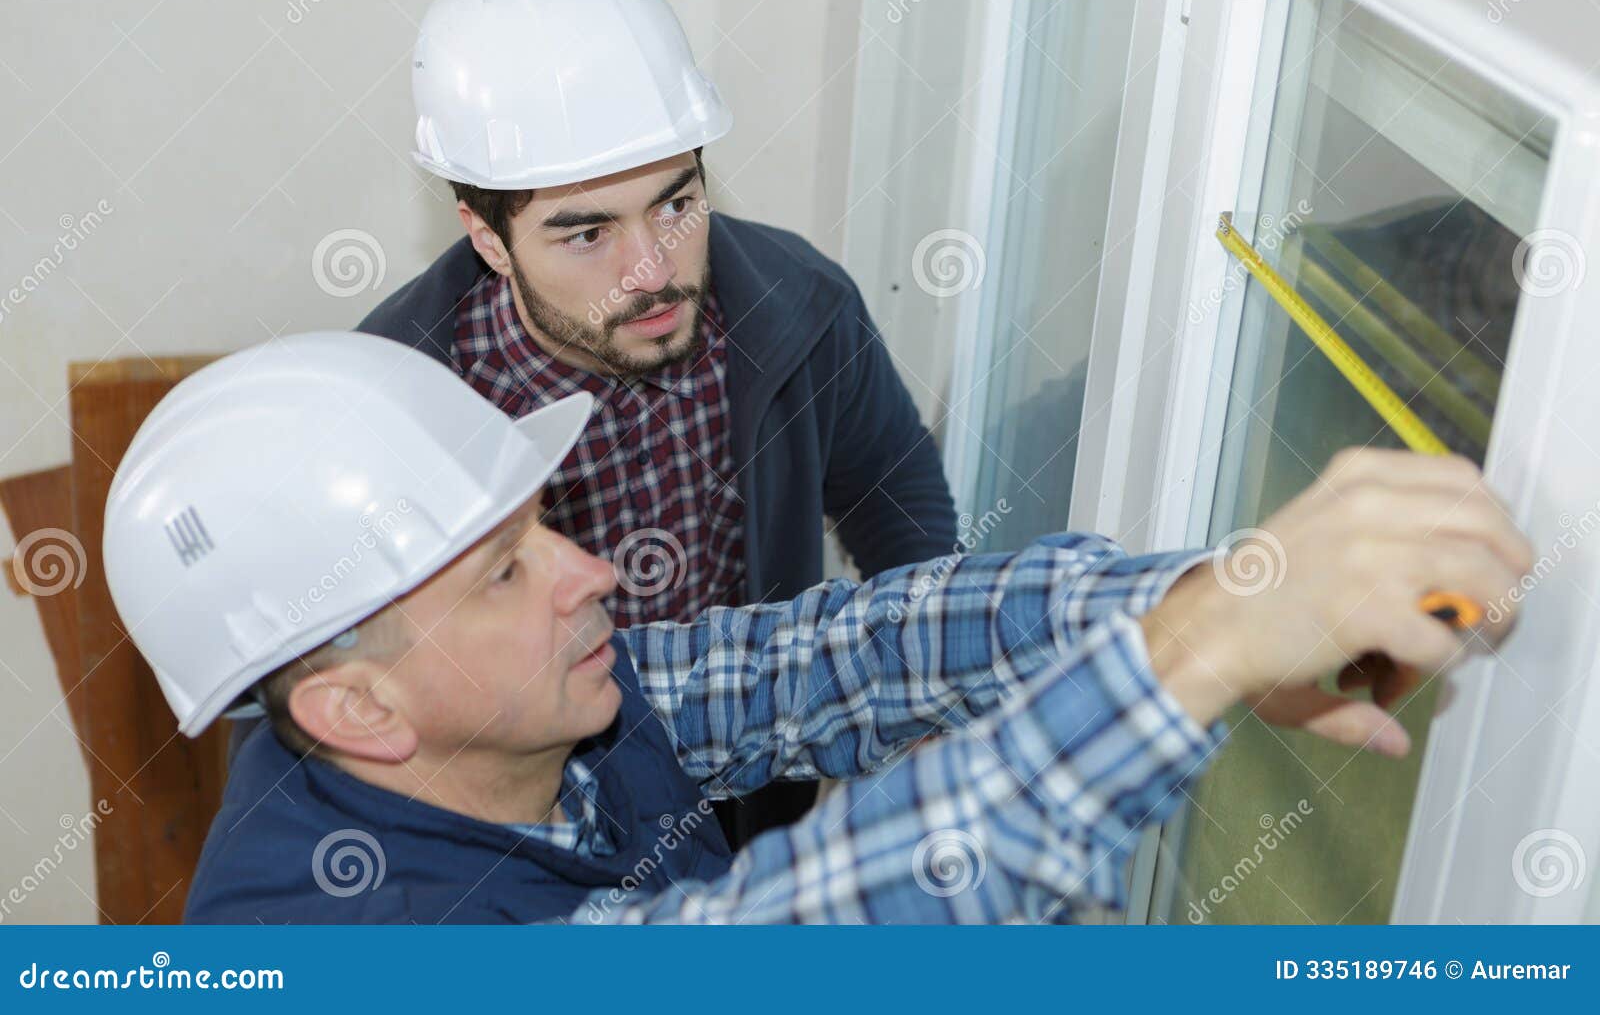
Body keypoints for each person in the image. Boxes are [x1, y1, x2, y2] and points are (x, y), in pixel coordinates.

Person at [103, 332, 1531, 924]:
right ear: (357, 711)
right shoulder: (337, 933)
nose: (588, 573)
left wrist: (1189, 600)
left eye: (544, 525)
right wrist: (1202, 658)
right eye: (500, 571)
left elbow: (847, 655)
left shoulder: (518, 716)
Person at [352, 0, 959, 841]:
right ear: (487, 238)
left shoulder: (800, 307)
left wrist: (936, 707)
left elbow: (896, 509)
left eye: (676, 204)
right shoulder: (394, 403)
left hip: (754, 821)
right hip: (532, 849)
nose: (653, 271)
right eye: (588, 233)